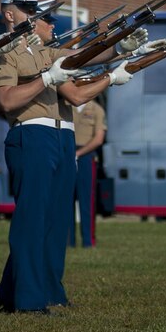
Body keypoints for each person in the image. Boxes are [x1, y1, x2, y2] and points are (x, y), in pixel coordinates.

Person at [0, 0, 147, 313]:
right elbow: (5, 100)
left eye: (37, 10)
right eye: (28, 8)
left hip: (61, 138)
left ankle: (45, 290)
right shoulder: (5, 52)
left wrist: (120, 48)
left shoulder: (42, 51)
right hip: (31, 136)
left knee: (56, 221)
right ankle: (29, 300)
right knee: (32, 220)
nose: (35, 15)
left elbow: (81, 56)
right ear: (9, 14)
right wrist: (46, 79)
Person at [70, 99, 106, 248]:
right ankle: (67, 242)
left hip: (86, 156)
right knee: (65, 201)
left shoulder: (96, 109)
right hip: (67, 154)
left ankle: (88, 241)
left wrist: (78, 153)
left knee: (87, 202)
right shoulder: (66, 106)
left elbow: (98, 139)